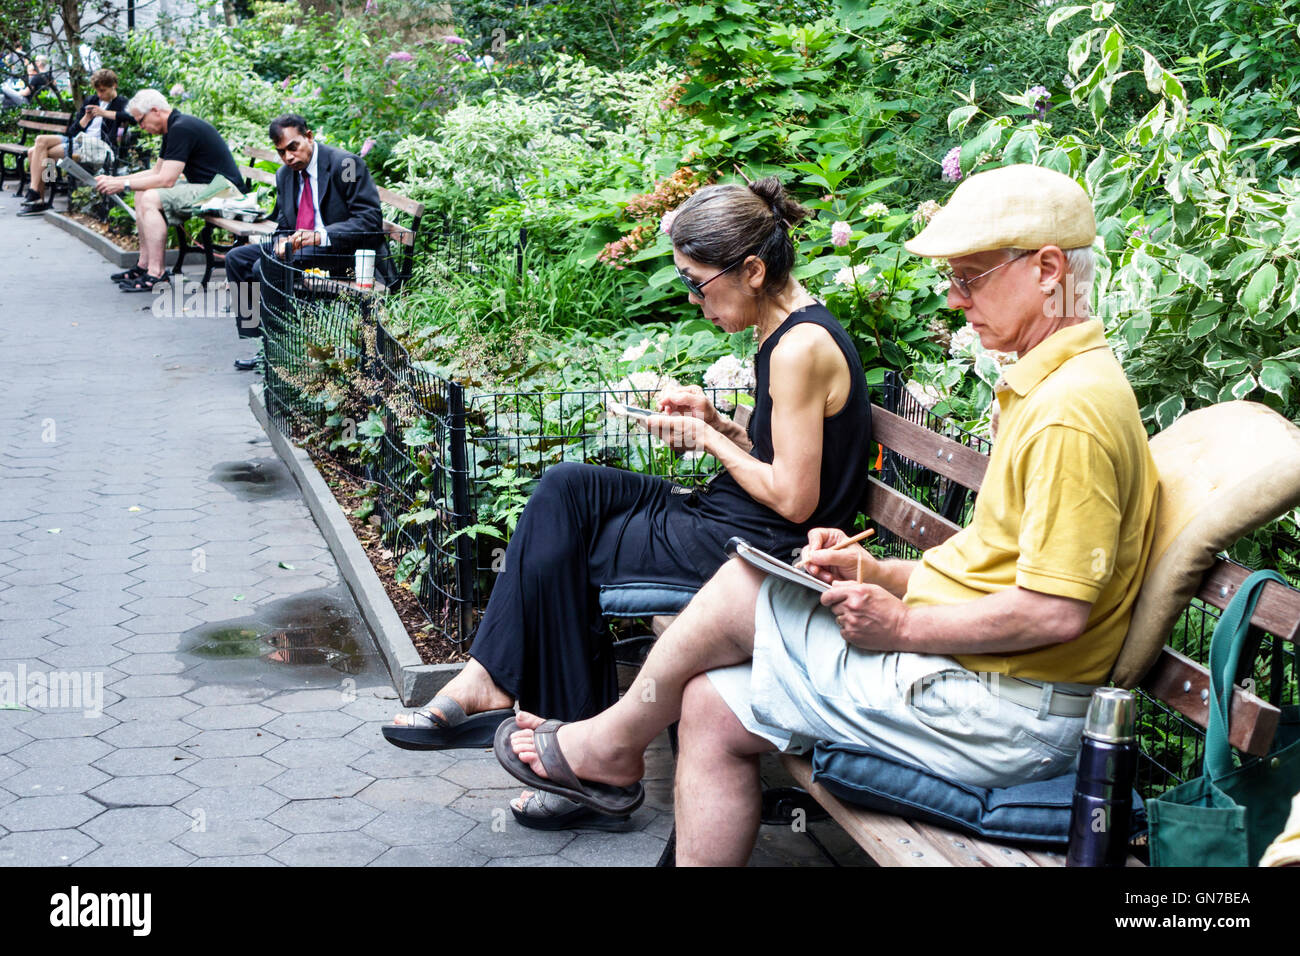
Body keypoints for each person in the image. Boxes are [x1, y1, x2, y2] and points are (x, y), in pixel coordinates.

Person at [497, 163, 1162, 865]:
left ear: (1048, 269)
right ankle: (609, 748)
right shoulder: (1050, 386)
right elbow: (998, 564)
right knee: (712, 705)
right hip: (986, 687)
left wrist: (902, 623)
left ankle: (605, 746)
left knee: (744, 587)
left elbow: (1056, 613)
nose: (953, 298)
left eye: (970, 276)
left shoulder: (1069, 414)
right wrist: (874, 568)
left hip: (1002, 712)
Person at [387, 177, 874, 830]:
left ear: (752, 270)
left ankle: (570, 750)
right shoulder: (786, 331)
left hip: (762, 550)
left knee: (577, 542)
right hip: (731, 517)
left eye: (696, 283)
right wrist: (720, 423)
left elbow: (795, 499)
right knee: (569, 488)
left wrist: (706, 437)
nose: (695, 300)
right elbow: (780, 461)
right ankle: (496, 683)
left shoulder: (799, 348)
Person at [224, 113, 397, 371]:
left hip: (343, 252)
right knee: (236, 259)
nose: (288, 157)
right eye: (281, 152)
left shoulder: (345, 165)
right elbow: (285, 226)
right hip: (302, 248)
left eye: (293, 147)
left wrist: (320, 235)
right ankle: (264, 343)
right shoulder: (285, 175)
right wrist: (283, 242)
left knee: (265, 267)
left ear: (309, 136)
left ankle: (284, 346)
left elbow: (369, 221)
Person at [94, 89, 247, 292]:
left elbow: (166, 180)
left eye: (141, 121)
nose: (140, 126)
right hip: (212, 188)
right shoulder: (173, 127)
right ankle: (144, 265)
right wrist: (116, 180)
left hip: (225, 191)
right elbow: (156, 171)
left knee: (149, 197)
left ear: (156, 111)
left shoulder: (181, 128)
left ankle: (157, 274)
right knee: (142, 193)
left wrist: (122, 185)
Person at [17, 68, 130, 216]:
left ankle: (40, 198)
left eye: (103, 91)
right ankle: (35, 193)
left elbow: (131, 117)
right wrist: (86, 119)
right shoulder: (92, 100)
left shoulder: (121, 102)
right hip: (77, 140)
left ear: (114, 85)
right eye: (97, 91)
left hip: (96, 147)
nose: (100, 95)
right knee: (40, 142)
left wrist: (104, 113)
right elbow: (72, 131)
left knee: (37, 154)